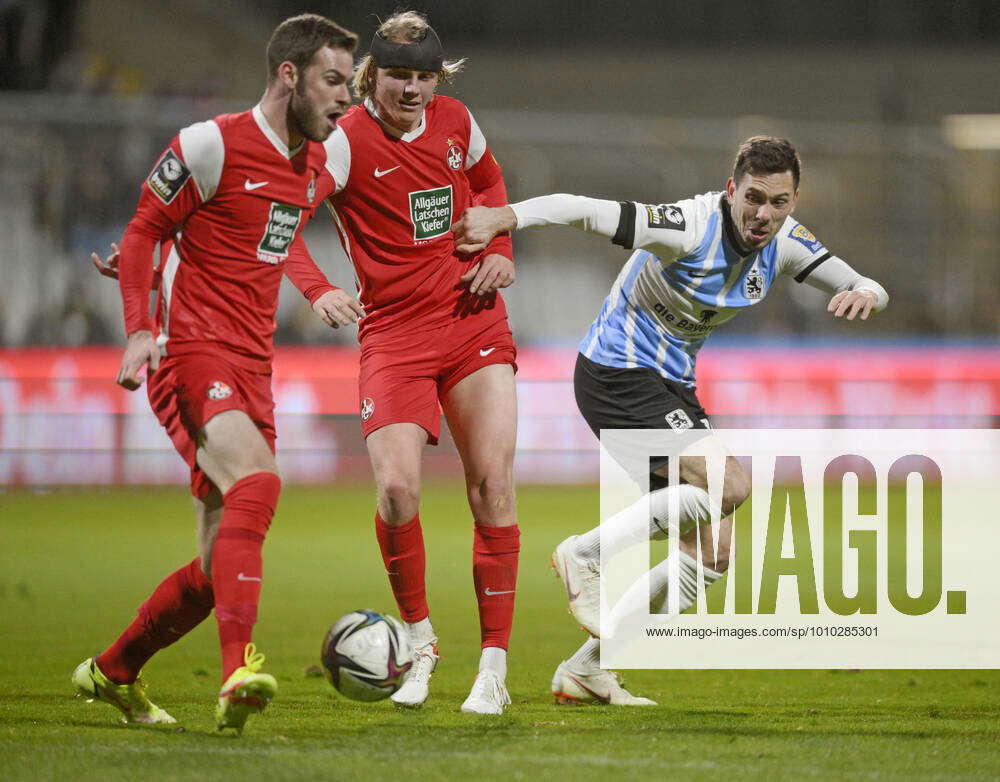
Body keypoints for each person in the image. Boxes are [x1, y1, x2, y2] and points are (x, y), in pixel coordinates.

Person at [453, 136, 889, 705]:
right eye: (754, 198)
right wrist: (504, 217)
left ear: (793, 201)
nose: (764, 214)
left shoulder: (786, 242)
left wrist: (867, 293)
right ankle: (584, 554)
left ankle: (589, 668)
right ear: (731, 190)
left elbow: (866, 284)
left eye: (779, 202)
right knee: (729, 484)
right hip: (616, 372)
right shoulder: (687, 227)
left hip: (672, 386)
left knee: (712, 553)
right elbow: (580, 209)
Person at [73, 14, 362, 734]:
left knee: (213, 574)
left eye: (350, 85)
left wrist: (316, 288)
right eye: (333, 80)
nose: (345, 97)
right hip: (190, 351)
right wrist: (140, 329)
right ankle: (238, 674)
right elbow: (145, 228)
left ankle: (112, 671)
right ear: (289, 74)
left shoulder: (317, 162)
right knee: (260, 482)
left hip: (253, 364)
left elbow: (275, 237)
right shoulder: (210, 144)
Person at [284, 10, 520, 714]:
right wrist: (318, 289)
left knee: (492, 485)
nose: (412, 90)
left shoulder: (457, 121)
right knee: (396, 491)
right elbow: (283, 219)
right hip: (393, 336)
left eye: (424, 77)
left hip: (472, 320)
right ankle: (420, 644)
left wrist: (501, 249)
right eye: (398, 76)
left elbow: (491, 187)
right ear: (372, 77)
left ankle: (494, 668)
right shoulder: (344, 141)